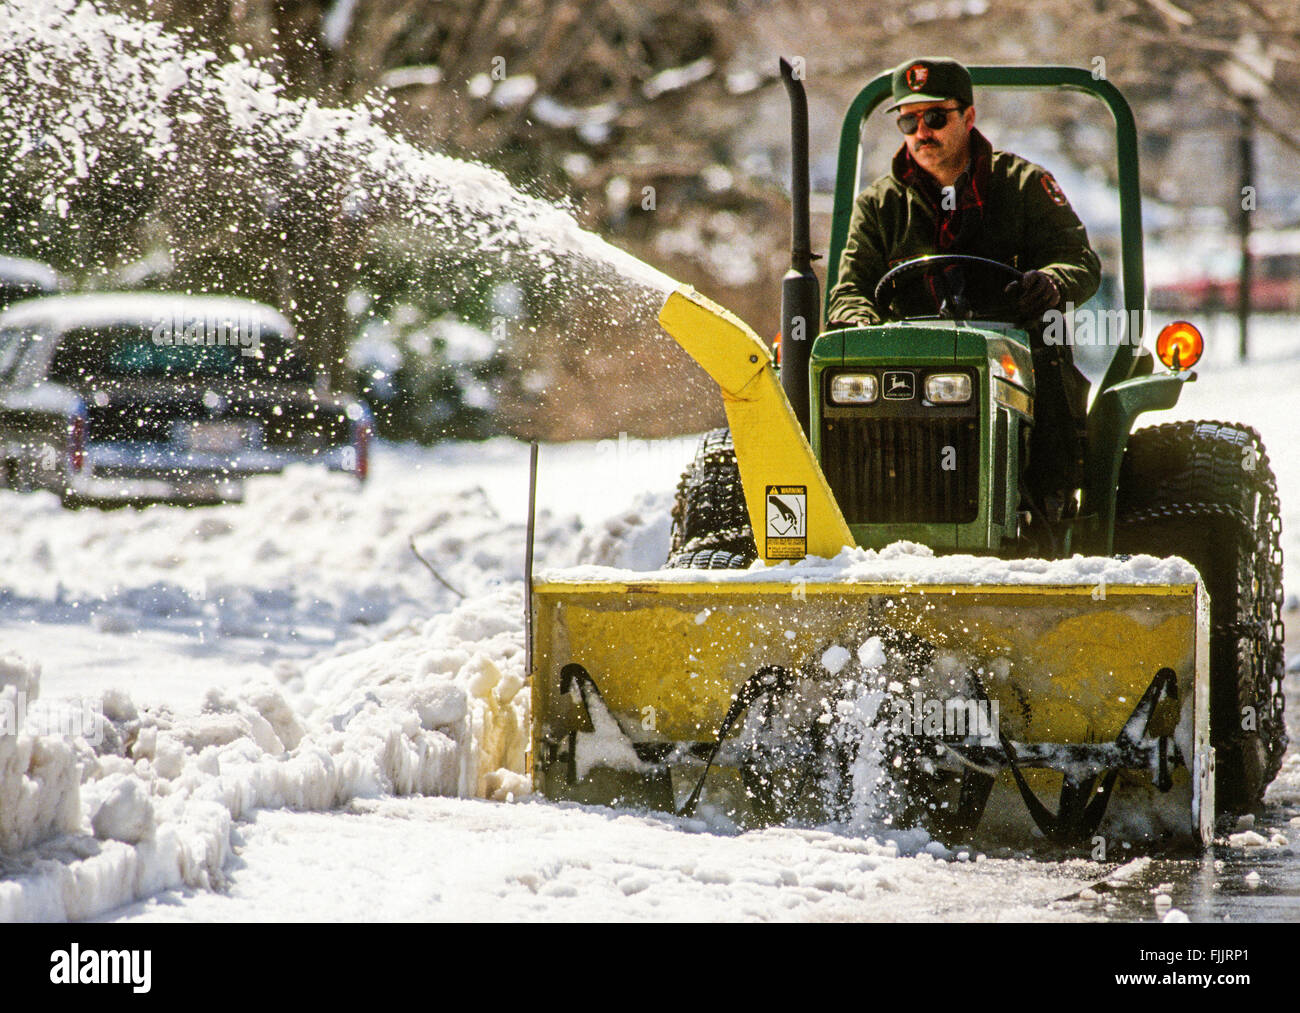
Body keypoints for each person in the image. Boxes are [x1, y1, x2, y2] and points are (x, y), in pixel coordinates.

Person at [826, 57, 1102, 526]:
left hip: (1017, 356)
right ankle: (866, 510)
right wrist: (858, 321)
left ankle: (1045, 508)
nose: (921, 132)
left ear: (968, 117)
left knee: (1049, 355)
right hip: (906, 367)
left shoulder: (1023, 186)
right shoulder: (878, 206)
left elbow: (1079, 261)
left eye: (935, 117)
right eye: (909, 121)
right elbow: (850, 288)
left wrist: (1052, 282)